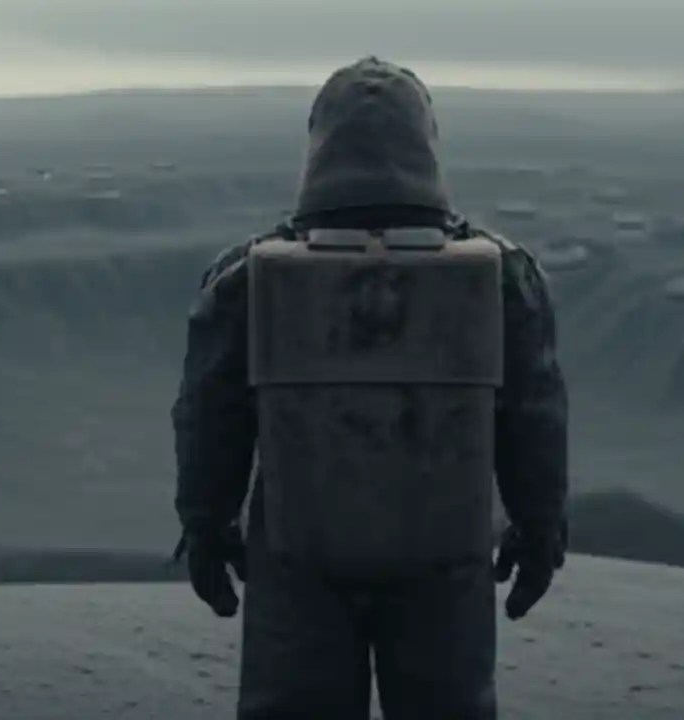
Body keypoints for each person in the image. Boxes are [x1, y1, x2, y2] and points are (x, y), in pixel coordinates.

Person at [171, 56, 568, 719]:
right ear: (427, 142)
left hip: (300, 560)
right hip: (445, 557)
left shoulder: (247, 276)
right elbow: (534, 413)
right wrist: (540, 526)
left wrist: (205, 524)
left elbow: (210, 413)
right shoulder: (502, 275)